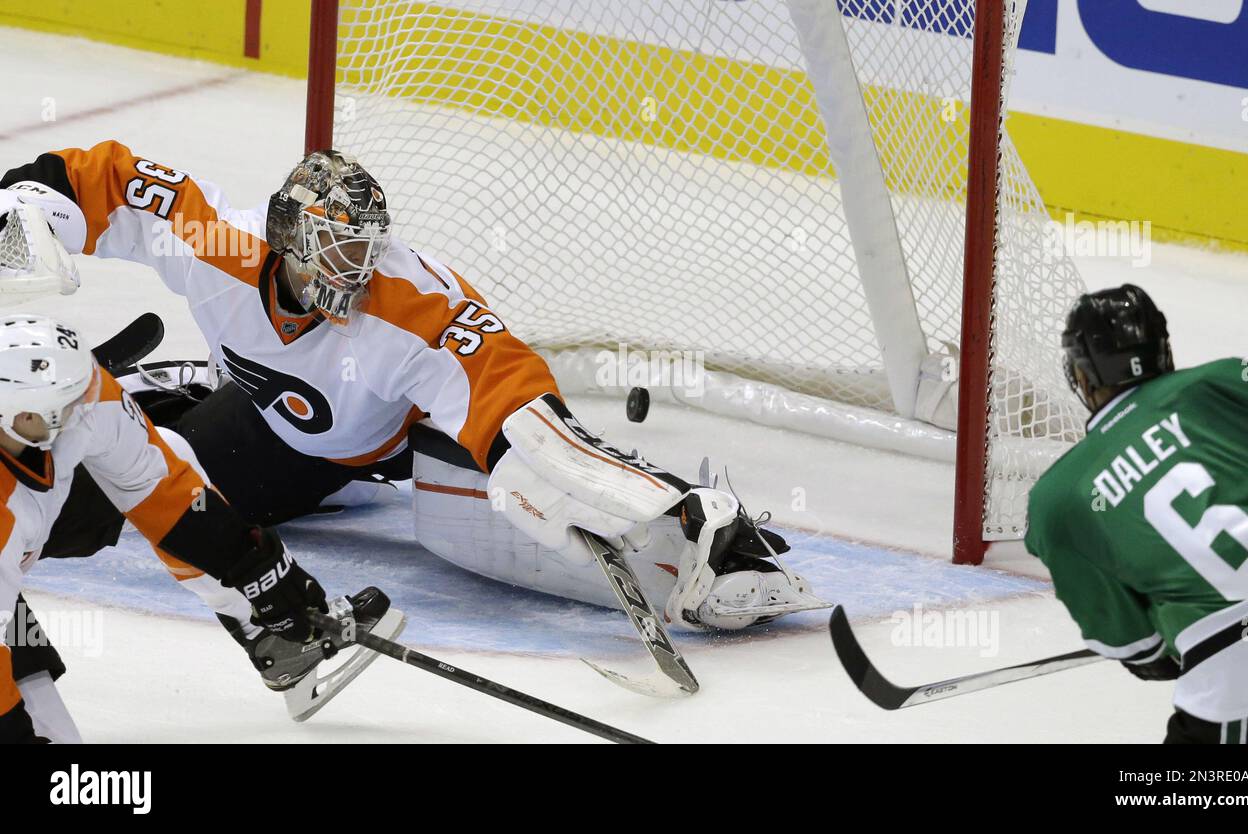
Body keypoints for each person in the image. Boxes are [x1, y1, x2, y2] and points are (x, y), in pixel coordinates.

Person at [0, 140, 824, 636]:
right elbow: (100, 178)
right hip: (275, 430)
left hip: (405, 443)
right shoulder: (214, 239)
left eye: (365, 249)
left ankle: (706, 546)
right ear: (285, 237)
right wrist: (26, 205)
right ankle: (177, 397)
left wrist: (644, 498)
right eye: (333, 249)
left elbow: (510, 394)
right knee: (87, 511)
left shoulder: (412, 302)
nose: (353, 270)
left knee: (516, 502)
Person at [0, 314, 332, 742]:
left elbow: (159, 485)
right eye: (66, 401)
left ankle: (260, 631)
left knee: (169, 448)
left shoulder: (79, 398)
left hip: (21, 527)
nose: (89, 399)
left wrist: (253, 566)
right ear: (21, 416)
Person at [1026, 284, 1248, 743]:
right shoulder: (1231, 380)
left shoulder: (1058, 499)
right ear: (1162, 350)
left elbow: (1138, 649)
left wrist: (1155, 650)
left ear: (1083, 377)